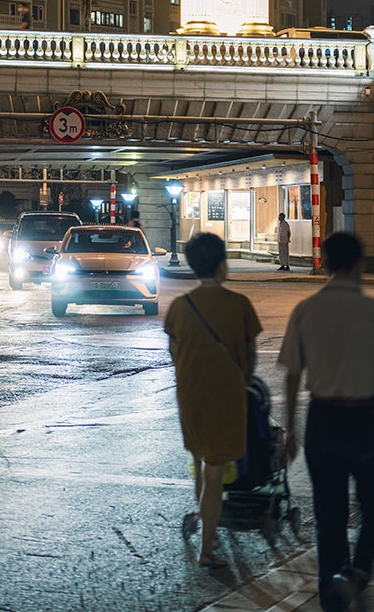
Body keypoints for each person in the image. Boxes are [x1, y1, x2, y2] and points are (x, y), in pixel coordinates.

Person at [279, 231, 374, 612]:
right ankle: (358, 572)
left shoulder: (305, 310)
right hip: (365, 422)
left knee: (330, 515)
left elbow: (292, 375)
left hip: (321, 422)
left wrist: (290, 430)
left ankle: (332, 596)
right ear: (359, 264)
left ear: (325, 263)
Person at [164, 232, 261, 570]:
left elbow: (174, 352)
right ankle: (208, 548)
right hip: (226, 395)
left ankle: (209, 528)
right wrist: (243, 381)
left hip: (190, 395)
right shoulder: (239, 304)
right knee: (215, 470)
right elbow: (249, 356)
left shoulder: (180, 306)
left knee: (200, 462)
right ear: (222, 264)